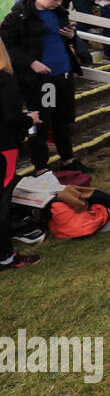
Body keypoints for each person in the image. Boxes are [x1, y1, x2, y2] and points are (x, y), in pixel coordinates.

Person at [0, 0, 89, 172]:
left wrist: (71, 36)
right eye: (54, 0)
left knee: (63, 120)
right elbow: (6, 46)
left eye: (60, 1)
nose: (57, 4)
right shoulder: (19, 16)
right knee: (42, 122)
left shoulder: (60, 13)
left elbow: (71, 38)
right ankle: (41, 167)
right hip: (42, 81)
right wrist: (31, 62)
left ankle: (68, 160)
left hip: (63, 74)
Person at [0, 41, 40, 270]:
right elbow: (13, 117)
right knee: (2, 203)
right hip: (3, 147)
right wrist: (30, 120)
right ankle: (5, 256)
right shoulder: (4, 80)